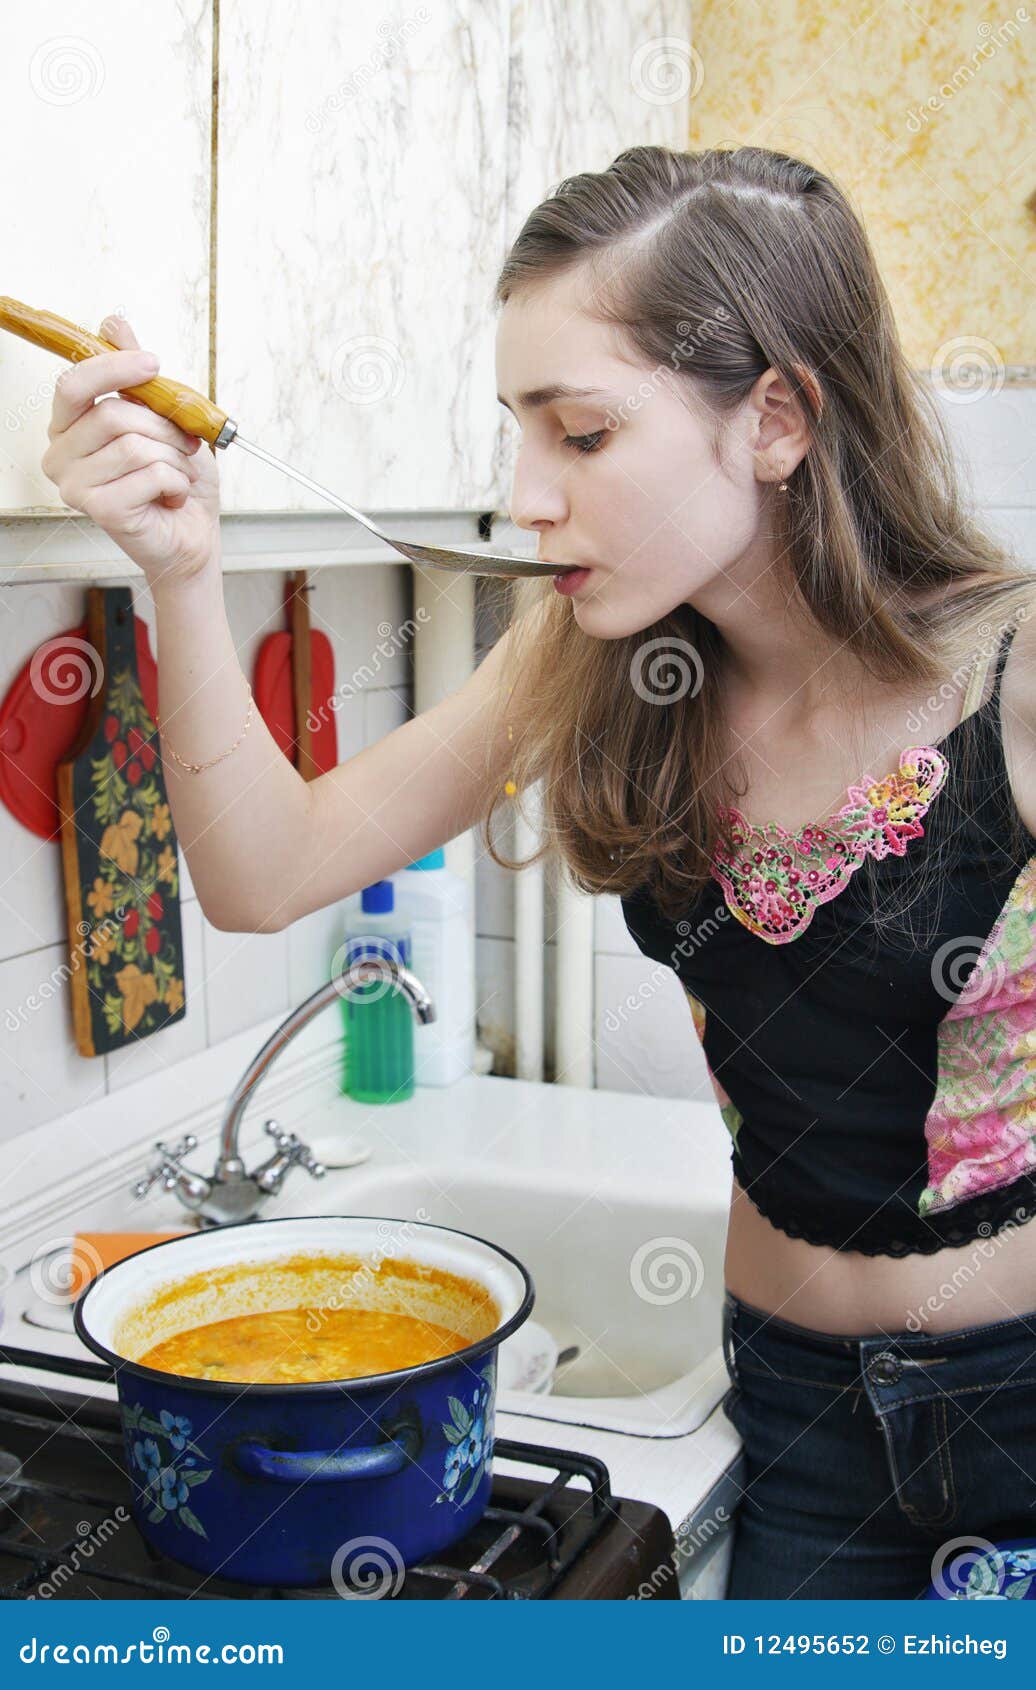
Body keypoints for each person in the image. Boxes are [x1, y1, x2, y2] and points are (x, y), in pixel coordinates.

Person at [42, 144, 1036, 1600]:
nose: (524, 500)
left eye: (580, 436)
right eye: (518, 431)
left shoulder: (1009, 677)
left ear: (775, 416)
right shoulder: (595, 654)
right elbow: (266, 871)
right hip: (799, 1411)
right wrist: (178, 572)